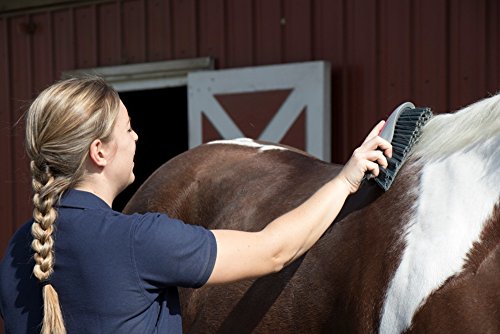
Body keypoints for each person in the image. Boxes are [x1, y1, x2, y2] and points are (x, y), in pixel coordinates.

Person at [0, 77, 391, 334]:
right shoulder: (138, 239)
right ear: (98, 152)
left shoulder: (21, 252)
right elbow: (274, 251)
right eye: (128, 128)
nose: (136, 138)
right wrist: (346, 179)